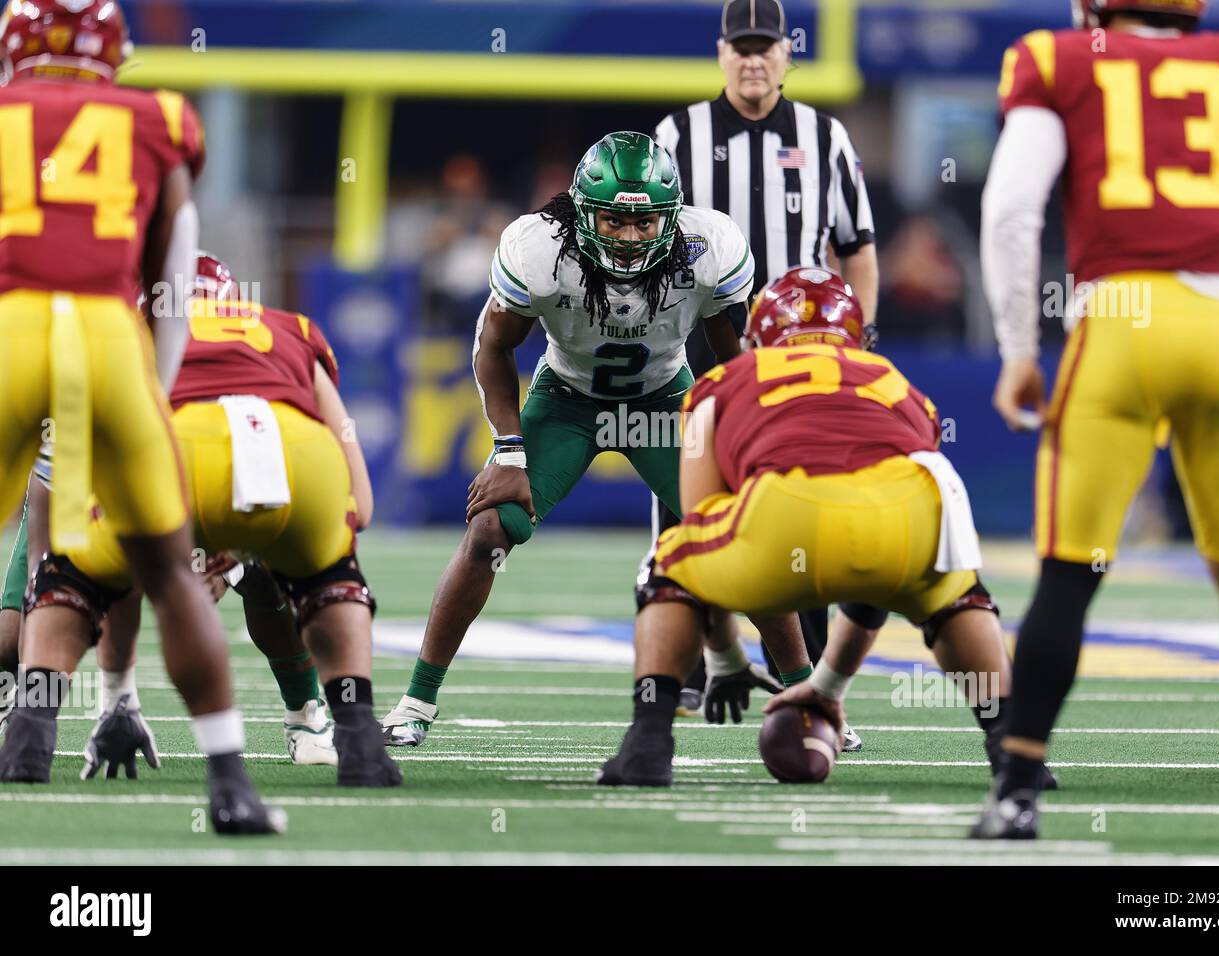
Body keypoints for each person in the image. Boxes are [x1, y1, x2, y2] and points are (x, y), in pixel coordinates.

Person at [974, 0, 1219, 840]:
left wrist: (1017, 347)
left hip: (1118, 325)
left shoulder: (1058, 58)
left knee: (1070, 570)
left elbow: (1012, 211)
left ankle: (1015, 791)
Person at [380, 131, 812, 746]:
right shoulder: (539, 249)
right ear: (583, 212)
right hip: (569, 402)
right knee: (489, 531)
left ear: (671, 216)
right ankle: (416, 702)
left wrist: (743, 433)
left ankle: (807, 696)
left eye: (645, 222)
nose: (630, 237)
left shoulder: (706, 246)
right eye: (613, 220)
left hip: (663, 401)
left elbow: (730, 350)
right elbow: (493, 347)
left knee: (740, 535)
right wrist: (508, 449)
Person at [0, 0, 280, 833]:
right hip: (105, 335)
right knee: (165, 571)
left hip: (11, 328)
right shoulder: (158, 118)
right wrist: (152, 399)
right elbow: (172, 267)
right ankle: (230, 782)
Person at [598, 267, 1019, 787]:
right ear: (858, 338)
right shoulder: (895, 383)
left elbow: (702, 531)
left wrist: (726, 660)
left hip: (789, 509)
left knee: (668, 566)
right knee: (956, 598)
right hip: (915, 507)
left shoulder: (721, 383)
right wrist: (828, 687)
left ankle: (648, 744)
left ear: (756, 339)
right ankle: (1014, 752)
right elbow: (874, 587)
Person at [0, 252, 401, 788]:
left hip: (175, 457)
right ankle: (356, 735)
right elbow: (362, 505)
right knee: (331, 579)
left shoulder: (115, 341)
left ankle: (33, 732)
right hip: (290, 463)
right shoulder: (292, 330)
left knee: (74, 578)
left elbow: (64, 494)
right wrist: (249, 551)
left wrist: (75, 581)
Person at [650, 0, 883, 743]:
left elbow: (858, 246)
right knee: (689, 510)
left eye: (766, 46)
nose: (753, 59)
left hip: (805, 357)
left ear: (788, 54)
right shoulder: (676, 135)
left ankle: (807, 677)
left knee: (805, 513)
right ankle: (688, 667)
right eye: (740, 47)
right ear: (721, 54)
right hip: (701, 353)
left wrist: (862, 340)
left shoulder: (825, 135)